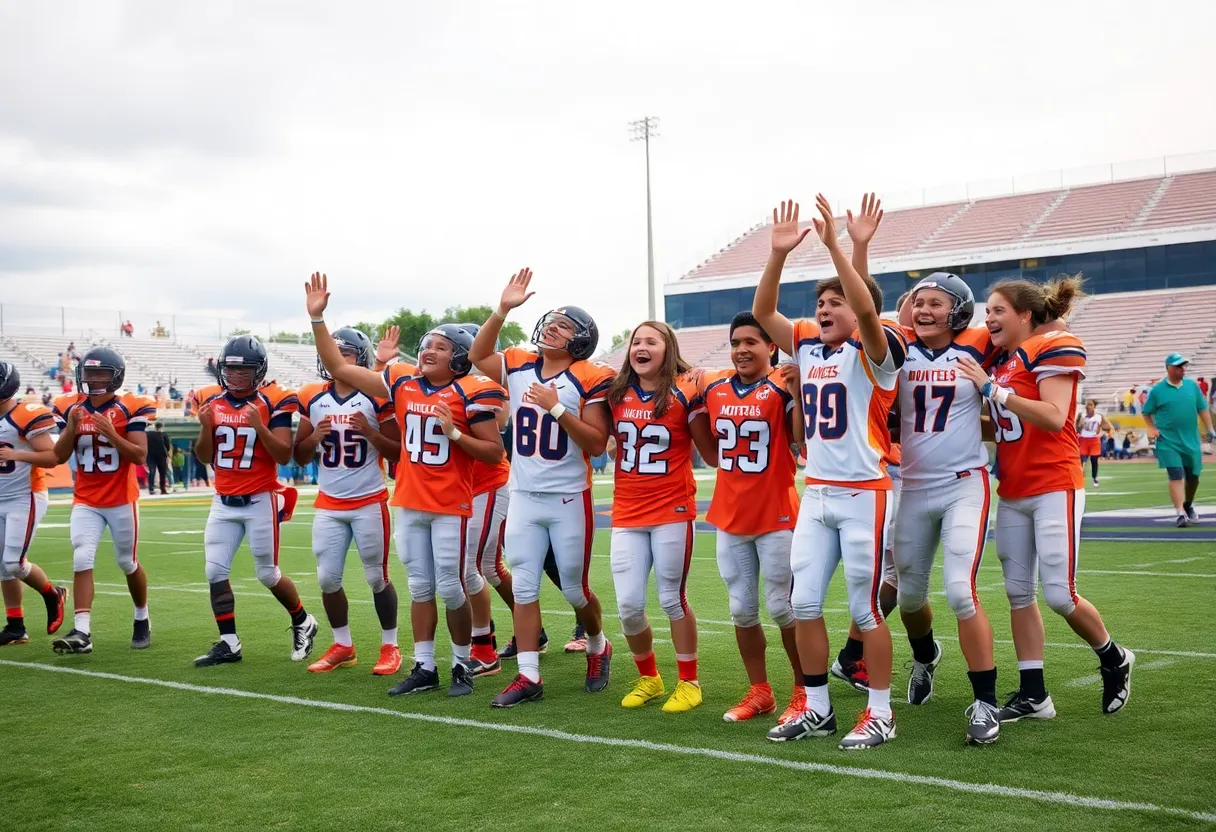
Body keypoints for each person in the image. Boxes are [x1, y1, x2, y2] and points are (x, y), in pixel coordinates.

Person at [307, 275, 506, 699]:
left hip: (452, 503)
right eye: (426, 344)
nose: (428, 350)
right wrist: (318, 318)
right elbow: (341, 367)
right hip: (411, 502)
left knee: (451, 586)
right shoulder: (401, 380)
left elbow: (492, 453)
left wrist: (454, 434)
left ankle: (460, 664)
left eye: (440, 346)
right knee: (419, 587)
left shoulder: (472, 391)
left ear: (459, 359)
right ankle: (424, 665)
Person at [754, 194, 905, 750]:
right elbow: (765, 310)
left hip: (864, 491)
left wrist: (842, 248)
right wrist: (777, 256)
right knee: (803, 604)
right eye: (819, 301)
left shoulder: (876, 348)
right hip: (817, 492)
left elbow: (867, 313)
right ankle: (817, 707)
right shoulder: (808, 349)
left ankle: (881, 711)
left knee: (865, 609)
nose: (824, 308)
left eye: (834, 301)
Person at [956, 276, 1134, 721]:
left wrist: (992, 391)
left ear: (1025, 315)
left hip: (1054, 483)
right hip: (1013, 488)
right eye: (987, 310)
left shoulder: (1055, 344)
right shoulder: (1003, 362)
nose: (988, 318)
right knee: (1018, 594)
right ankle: (1034, 693)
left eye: (998, 310)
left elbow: (1055, 418)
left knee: (1060, 594)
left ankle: (1114, 656)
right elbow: (1004, 426)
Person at [469, 268, 616, 708]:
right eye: (551, 320)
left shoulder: (592, 375)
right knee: (527, 585)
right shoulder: (516, 362)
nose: (552, 326)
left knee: (574, 589)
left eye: (564, 325)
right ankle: (528, 675)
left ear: (580, 340)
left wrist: (555, 409)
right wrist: (502, 309)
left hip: (569, 496)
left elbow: (596, 443)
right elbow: (478, 355)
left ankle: (598, 643)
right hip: (525, 496)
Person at [891, 273, 1002, 744]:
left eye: (936, 303)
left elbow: (1024, 328)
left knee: (960, 591)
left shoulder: (979, 343)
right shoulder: (896, 348)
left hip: (963, 484)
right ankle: (925, 654)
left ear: (958, 310)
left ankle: (985, 703)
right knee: (908, 599)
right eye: (919, 302)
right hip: (913, 485)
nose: (924, 311)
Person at [694, 313, 805, 725]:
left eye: (751, 342)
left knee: (782, 607)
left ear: (771, 346)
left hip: (775, 511)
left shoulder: (782, 382)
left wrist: (797, 392)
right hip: (730, 512)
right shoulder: (715, 385)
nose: (742, 349)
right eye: (736, 342)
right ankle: (760, 691)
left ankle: (803, 689)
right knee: (741, 608)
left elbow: (802, 441)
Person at [607, 321, 716, 714]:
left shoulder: (686, 388)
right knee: (628, 606)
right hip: (628, 511)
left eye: (651, 341)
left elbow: (712, 451)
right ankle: (650, 677)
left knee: (672, 598)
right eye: (636, 340)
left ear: (667, 349)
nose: (641, 346)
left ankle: (689, 681)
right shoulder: (615, 392)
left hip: (672, 508)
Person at [192, 335, 316, 667]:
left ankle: (303, 619)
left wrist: (260, 426)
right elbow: (205, 455)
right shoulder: (210, 401)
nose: (234, 377)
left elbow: (284, 454)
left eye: (242, 371)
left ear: (258, 372)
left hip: (260, 498)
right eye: (229, 371)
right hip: (222, 501)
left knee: (267, 573)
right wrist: (205, 428)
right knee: (214, 571)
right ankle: (229, 643)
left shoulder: (274, 400)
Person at [294, 327, 404, 677]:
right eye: (335, 353)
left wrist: (370, 433)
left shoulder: (376, 396)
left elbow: (398, 451)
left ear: (361, 359)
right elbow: (298, 455)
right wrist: (314, 437)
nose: (339, 360)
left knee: (377, 577)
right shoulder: (312, 396)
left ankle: (390, 645)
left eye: (348, 354)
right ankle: (343, 645)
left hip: (368, 499)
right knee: (327, 579)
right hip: (329, 503)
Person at [49, 346, 155, 654]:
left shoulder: (130, 408)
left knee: (127, 561)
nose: (94, 379)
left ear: (115, 377)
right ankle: (82, 631)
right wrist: (70, 427)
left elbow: (139, 455)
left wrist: (112, 434)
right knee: (82, 556)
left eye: (101, 373)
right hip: (86, 498)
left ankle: (141, 617)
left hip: (121, 498)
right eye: (90, 372)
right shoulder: (70, 407)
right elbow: (59, 456)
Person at [0, 362, 68, 646]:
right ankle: (16, 625)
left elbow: (52, 457)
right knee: (1, 566)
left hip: (24, 496)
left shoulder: (25, 413)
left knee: (13, 563)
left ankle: (53, 594)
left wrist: (17, 455)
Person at [1142, 353, 1216, 527]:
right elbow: (1146, 412)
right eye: (1178, 366)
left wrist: (1211, 429)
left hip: (1191, 441)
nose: (1183, 369)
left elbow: (1202, 408)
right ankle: (1180, 513)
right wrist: (1152, 428)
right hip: (1168, 441)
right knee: (1175, 474)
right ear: (1169, 368)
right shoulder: (1158, 390)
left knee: (1193, 477)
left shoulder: (1192, 386)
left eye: (1184, 366)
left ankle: (1188, 505)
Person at [1076, 399, 1111, 488]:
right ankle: (1080, 479)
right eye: (1087, 404)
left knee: (1094, 460)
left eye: (1090, 404)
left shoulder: (1099, 416)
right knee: (1082, 460)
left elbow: (1107, 427)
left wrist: (1103, 426)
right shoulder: (1081, 415)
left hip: (1094, 440)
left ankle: (1094, 477)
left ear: (1094, 406)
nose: (1088, 406)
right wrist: (1080, 425)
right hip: (1083, 439)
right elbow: (1077, 429)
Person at [146, 422, 171, 495]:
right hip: (161, 456)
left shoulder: (148, 434)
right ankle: (163, 489)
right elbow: (168, 447)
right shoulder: (163, 434)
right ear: (162, 427)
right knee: (162, 473)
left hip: (150, 455)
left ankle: (151, 489)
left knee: (152, 471)